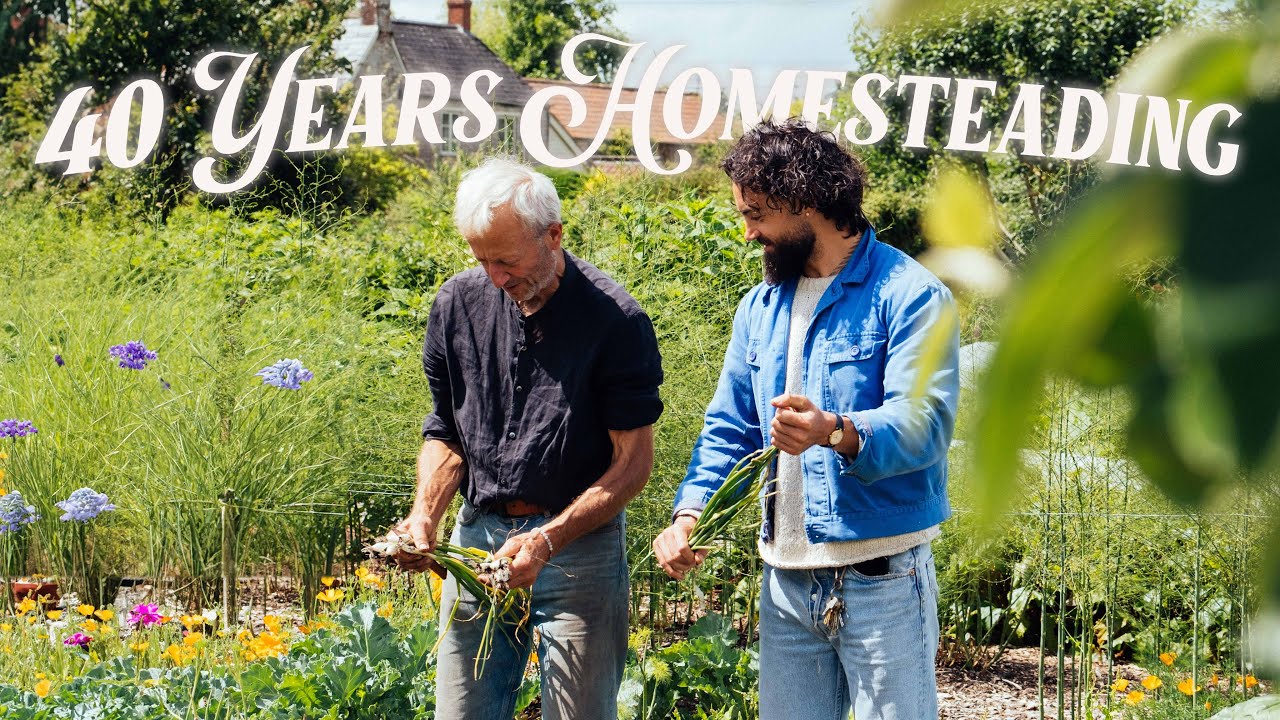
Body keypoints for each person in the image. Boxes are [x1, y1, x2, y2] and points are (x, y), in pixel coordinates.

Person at [653, 119, 959, 720]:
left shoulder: (911, 294)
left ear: (806, 202)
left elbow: (926, 422)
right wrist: (690, 514)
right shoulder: (760, 307)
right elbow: (730, 429)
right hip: (785, 582)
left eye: (758, 214)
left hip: (882, 581)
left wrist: (835, 431)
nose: (748, 232)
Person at [391, 157, 663, 720]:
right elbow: (447, 431)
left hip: (576, 553)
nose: (494, 276)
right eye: (481, 259)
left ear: (553, 236)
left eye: (507, 260)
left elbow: (632, 464)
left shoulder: (615, 321)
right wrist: (424, 516)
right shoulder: (456, 305)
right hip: (477, 543)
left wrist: (546, 540)